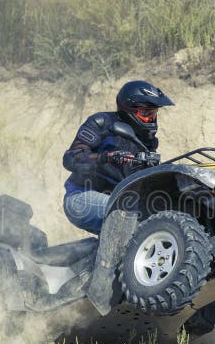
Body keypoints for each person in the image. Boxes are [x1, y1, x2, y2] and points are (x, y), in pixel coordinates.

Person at [62, 80, 174, 234]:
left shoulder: (147, 141)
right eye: (146, 114)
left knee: (155, 217)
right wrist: (105, 158)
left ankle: (86, 255)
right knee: (133, 216)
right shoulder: (101, 123)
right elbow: (70, 158)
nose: (151, 120)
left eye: (154, 114)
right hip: (81, 197)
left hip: (118, 201)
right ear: (129, 110)